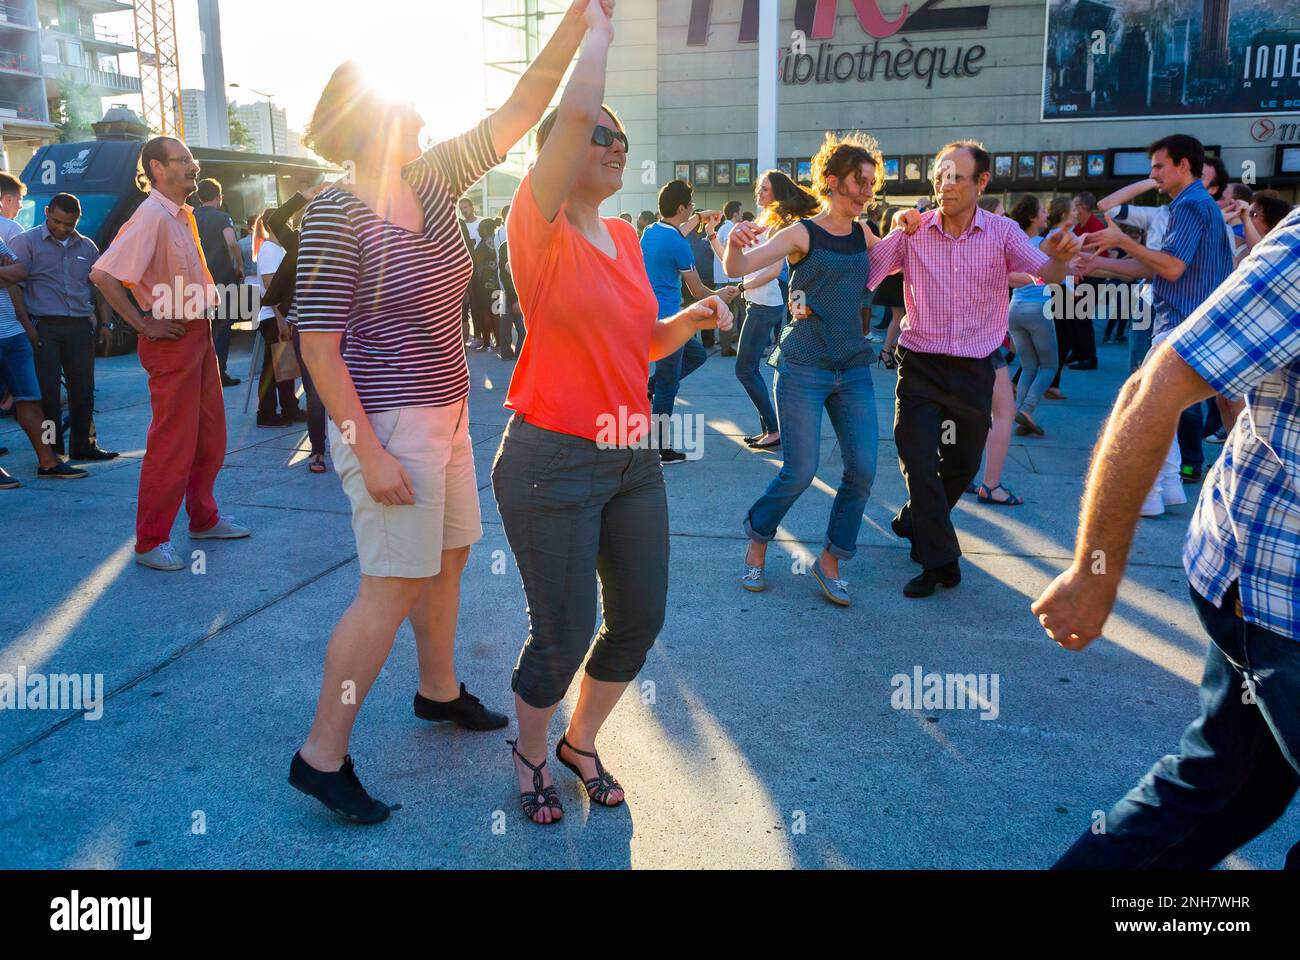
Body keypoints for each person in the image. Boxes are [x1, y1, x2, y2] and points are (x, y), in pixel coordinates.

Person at [289, 2, 595, 826]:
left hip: (449, 410)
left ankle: (437, 690)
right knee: (389, 586)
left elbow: (522, 108)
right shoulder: (334, 213)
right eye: (406, 106)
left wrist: (576, 20)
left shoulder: (429, 179)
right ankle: (321, 755)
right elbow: (317, 347)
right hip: (386, 421)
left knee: (452, 555)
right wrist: (370, 454)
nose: (424, 114)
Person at [494, 0, 731, 825]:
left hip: (632, 454)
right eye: (601, 132)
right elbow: (571, 120)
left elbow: (640, 345)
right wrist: (595, 38)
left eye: (623, 137)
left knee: (638, 620)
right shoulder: (539, 222)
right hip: (550, 459)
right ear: (560, 148)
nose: (615, 143)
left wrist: (691, 321)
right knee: (562, 631)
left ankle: (579, 741)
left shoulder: (628, 238)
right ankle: (529, 754)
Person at [1034, 208, 1300, 870]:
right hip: (1276, 594)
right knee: (1223, 782)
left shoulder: (1195, 215)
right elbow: (1154, 386)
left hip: (1258, 570)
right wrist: (1093, 576)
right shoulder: (1212, 224)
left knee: (1234, 785)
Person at [865, 141, 1077, 598]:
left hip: (974, 370)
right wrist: (893, 230)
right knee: (918, 461)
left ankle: (911, 519)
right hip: (919, 366)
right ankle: (940, 561)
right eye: (940, 175)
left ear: (981, 182)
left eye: (957, 176)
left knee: (961, 465)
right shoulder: (915, 229)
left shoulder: (1002, 232)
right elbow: (870, 272)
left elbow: (1048, 273)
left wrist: (1059, 256)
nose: (946, 184)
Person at [726, 131, 907, 606]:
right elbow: (740, 264)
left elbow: (896, 261)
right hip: (804, 364)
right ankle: (758, 537)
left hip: (852, 367)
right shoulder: (803, 232)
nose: (868, 191)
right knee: (800, 470)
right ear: (832, 182)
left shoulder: (866, 235)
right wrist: (730, 242)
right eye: (859, 181)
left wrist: (908, 225)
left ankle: (830, 561)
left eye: (871, 182)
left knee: (863, 469)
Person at [90, 137, 251, 570]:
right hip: (171, 338)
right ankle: (150, 541)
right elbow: (103, 274)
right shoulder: (151, 216)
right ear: (157, 168)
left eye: (193, 159)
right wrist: (143, 323)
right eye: (183, 161)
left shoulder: (182, 215)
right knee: (172, 445)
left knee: (210, 436)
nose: (193, 167)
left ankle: (203, 518)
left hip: (197, 332)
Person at [1077, 134, 1234, 517]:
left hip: (1182, 323)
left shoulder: (1192, 205)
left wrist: (1121, 242)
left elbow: (1170, 267)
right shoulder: (1191, 204)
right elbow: (1157, 267)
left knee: (1143, 407)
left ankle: (1150, 493)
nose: (1154, 174)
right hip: (1184, 322)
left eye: (1159, 167)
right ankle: (1164, 490)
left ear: (1183, 165)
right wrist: (1099, 263)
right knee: (1156, 408)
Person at [0, 193, 117, 461]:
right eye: (57, 221)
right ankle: (53, 450)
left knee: (83, 390)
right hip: (44, 327)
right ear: (46, 212)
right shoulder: (25, 242)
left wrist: (105, 324)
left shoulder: (87, 247)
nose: (62, 228)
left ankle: (84, 445)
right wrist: (28, 328)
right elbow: (14, 288)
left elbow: (98, 288)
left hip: (79, 327)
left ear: (78, 219)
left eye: (70, 223)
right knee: (48, 396)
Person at [642, 178, 736, 465]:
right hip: (670, 320)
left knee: (696, 355)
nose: (692, 210)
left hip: (648, 316)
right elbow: (697, 290)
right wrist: (721, 295)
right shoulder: (680, 245)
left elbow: (676, 232)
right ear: (681, 208)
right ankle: (660, 448)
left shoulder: (650, 232)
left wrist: (698, 217)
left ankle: (650, 386)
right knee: (669, 384)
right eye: (691, 206)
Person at [729, 169, 817, 452]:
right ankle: (775, 428)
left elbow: (772, 270)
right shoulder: (763, 223)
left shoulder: (780, 228)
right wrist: (717, 238)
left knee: (745, 368)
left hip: (765, 304)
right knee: (756, 368)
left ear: (777, 194)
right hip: (761, 303)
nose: (759, 192)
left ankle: (774, 428)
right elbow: (736, 264)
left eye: (764, 189)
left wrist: (742, 288)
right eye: (759, 187)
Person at [0, 230, 88, 486]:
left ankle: (49, 462)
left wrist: (25, 324)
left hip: (13, 332)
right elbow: (12, 274)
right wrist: (7, 272)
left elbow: (21, 273)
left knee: (32, 400)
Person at [265, 184, 333, 474]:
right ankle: (318, 450)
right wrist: (302, 196)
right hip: (306, 331)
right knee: (316, 395)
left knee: (353, 393)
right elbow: (275, 221)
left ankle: (356, 450)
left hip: (344, 331)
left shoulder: (350, 245)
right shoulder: (298, 243)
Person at [1005, 194, 1057, 437]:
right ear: (1033, 217)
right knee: (1049, 366)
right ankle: (1026, 409)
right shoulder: (1044, 243)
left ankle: (1022, 417)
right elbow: (1057, 272)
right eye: (1043, 211)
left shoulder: (1013, 243)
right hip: (1038, 308)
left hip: (1014, 309)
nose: (1047, 214)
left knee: (1028, 367)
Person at [191, 178, 244, 387]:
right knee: (222, 327)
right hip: (221, 278)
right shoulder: (222, 217)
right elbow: (231, 242)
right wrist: (239, 264)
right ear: (219, 196)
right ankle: (219, 373)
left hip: (195, 279)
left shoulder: (190, 216)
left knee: (201, 328)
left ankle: (200, 374)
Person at [251, 212, 302, 429]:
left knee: (285, 365)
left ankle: (290, 407)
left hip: (280, 315)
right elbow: (272, 289)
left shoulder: (277, 249)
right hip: (274, 317)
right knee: (272, 368)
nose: (288, 228)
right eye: (286, 222)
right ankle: (266, 412)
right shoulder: (270, 250)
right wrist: (281, 320)